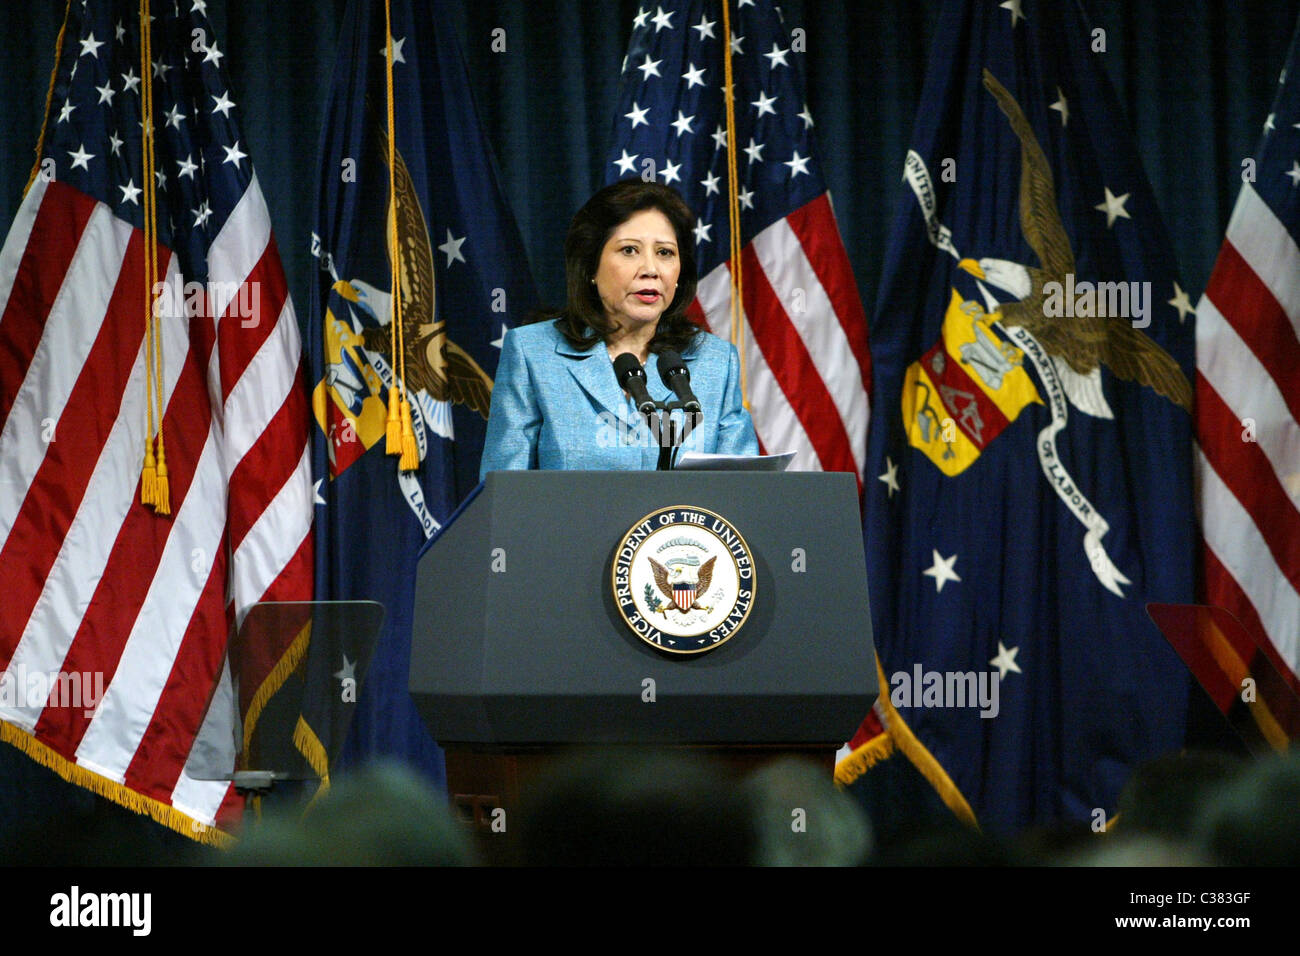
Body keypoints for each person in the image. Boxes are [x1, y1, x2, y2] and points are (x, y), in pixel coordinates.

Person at [480, 180, 758, 476]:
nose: (650, 269)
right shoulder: (533, 354)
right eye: (629, 250)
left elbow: (742, 495)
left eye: (665, 253)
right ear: (591, 267)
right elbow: (502, 496)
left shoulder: (715, 361)